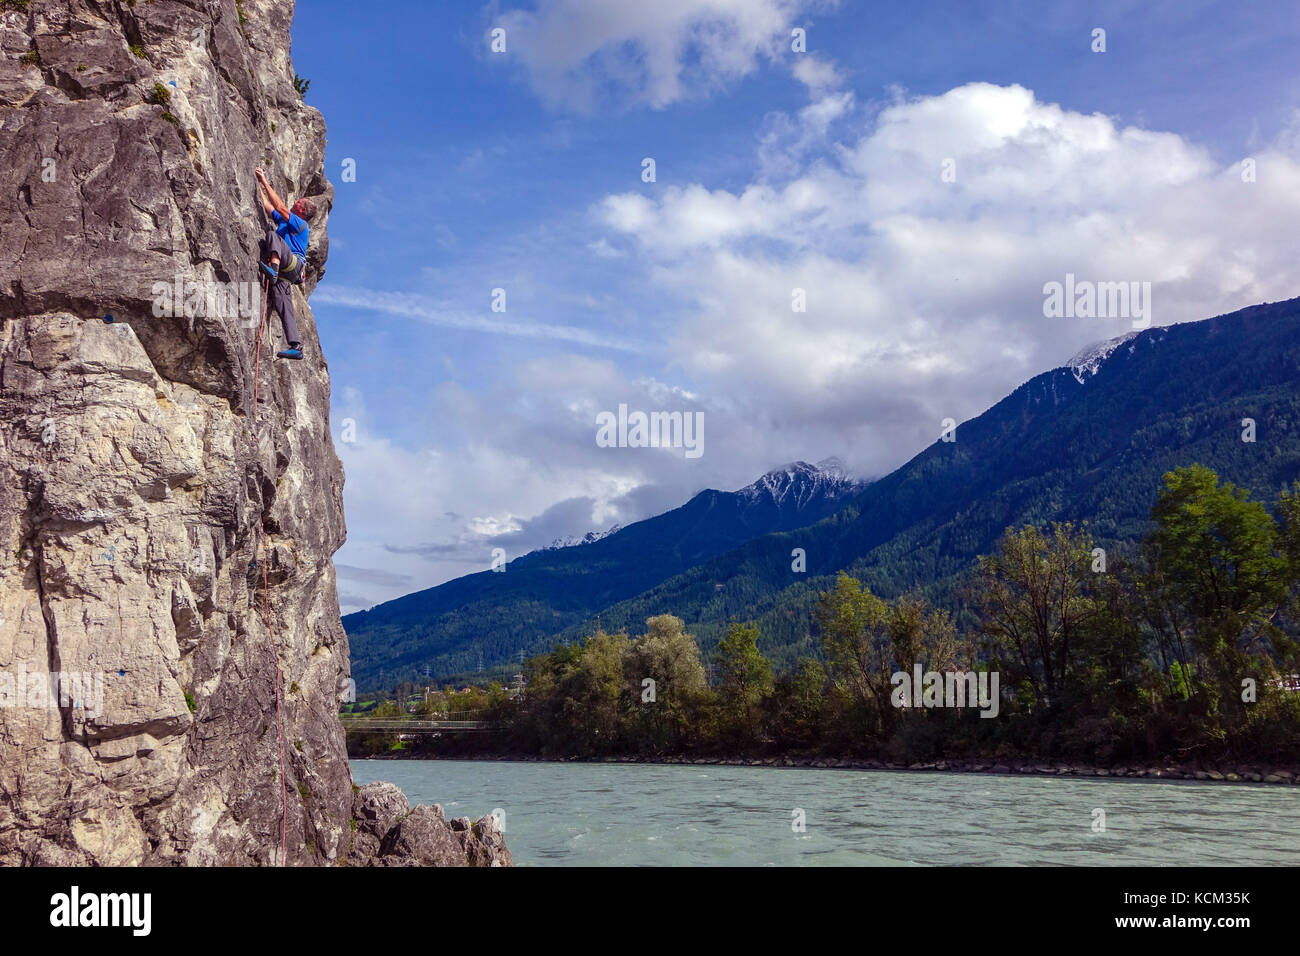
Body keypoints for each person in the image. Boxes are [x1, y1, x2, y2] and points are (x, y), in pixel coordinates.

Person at [254, 166, 317, 360]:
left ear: (302, 210)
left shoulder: (300, 224)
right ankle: (296, 346)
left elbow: (280, 206)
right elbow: (269, 207)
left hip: (291, 264)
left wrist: (265, 182)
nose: (295, 202)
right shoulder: (285, 222)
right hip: (287, 273)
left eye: (298, 202)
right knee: (284, 305)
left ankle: (272, 269)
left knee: (272, 235)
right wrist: (257, 186)